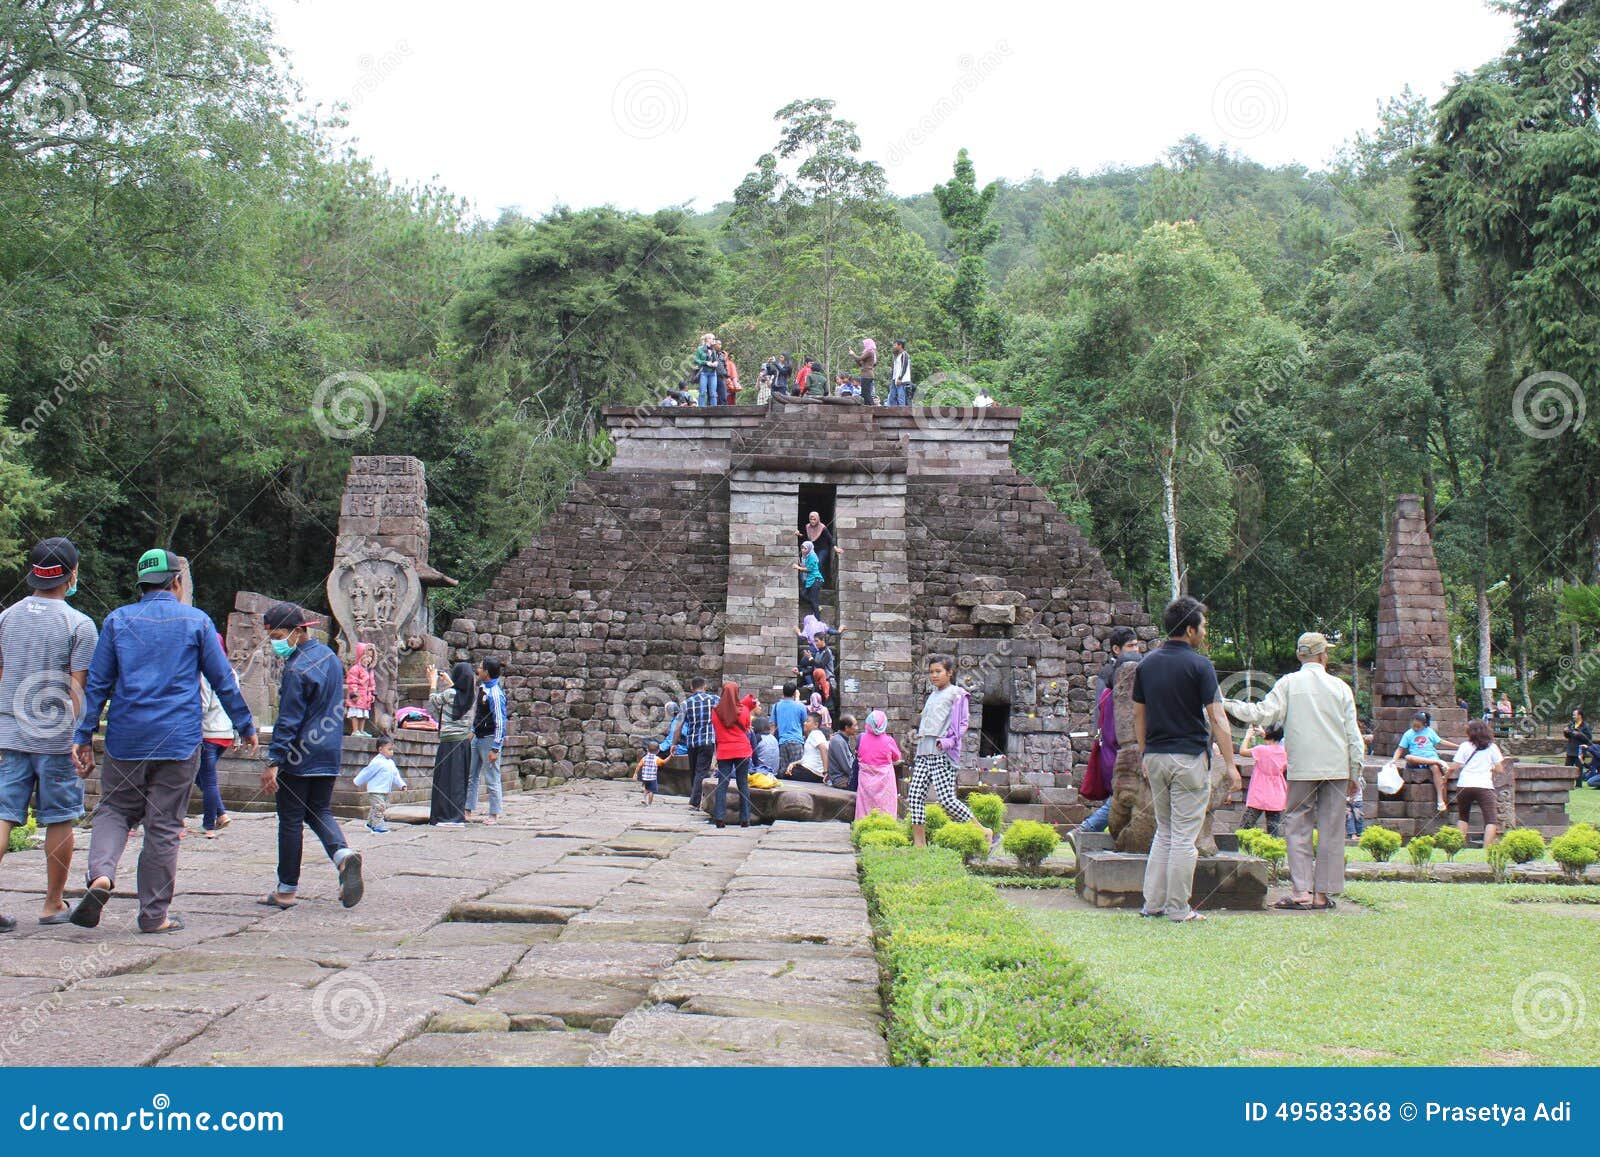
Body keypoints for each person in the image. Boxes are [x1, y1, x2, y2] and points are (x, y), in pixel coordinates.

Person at [68, 549, 258, 933]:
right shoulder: (197, 622)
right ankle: (154, 916)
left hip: (127, 736)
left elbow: (99, 684)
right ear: (176, 582)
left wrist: (84, 733)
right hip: (178, 739)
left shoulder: (118, 620)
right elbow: (223, 679)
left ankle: (101, 876)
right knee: (164, 826)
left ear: (141, 584)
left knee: (114, 810)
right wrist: (245, 724)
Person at [1223, 631, 1364, 913]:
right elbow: (1353, 735)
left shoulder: (1289, 683)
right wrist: (1354, 772)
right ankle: (1322, 895)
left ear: (1300, 656)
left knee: (1297, 826)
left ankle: (1301, 891)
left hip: (1302, 767)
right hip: (1336, 767)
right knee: (1332, 830)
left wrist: (1225, 703)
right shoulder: (1340, 687)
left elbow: (1263, 714)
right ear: (1324, 655)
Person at [0, 538, 98, 928]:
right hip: (55, 738)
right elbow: (78, 688)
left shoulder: (6, 618)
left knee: (4, 815)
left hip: (8, 731)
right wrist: (79, 737)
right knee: (59, 818)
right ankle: (52, 903)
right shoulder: (79, 624)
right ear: (72, 575)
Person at [1130, 596, 1236, 924]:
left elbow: (1138, 714)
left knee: (1164, 831)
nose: (1204, 632)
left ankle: (1153, 903)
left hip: (1157, 757)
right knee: (1183, 836)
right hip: (1188, 757)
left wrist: (1145, 752)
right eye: (1202, 627)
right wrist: (1231, 765)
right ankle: (1178, 908)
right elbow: (1217, 718)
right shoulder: (1200, 665)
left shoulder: (1146, 664)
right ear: (1190, 630)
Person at [258, 602, 363, 910]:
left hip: (299, 754)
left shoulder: (295, 669)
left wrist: (274, 760)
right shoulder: (329, 658)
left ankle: (286, 889)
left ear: (299, 631)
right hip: (329, 749)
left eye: (279, 635)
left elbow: (289, 719)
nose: (276, 642)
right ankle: (343, 856)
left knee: (290, 820)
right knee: (319, 809)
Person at [906, 653, 989, 846]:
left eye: (938, 671)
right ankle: (920, 845)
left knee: (946, 800)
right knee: (915, 796)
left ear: (949, 673)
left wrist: (948, 742)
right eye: (931, 672)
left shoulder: (957, 694)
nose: (934, 675)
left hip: (941, 751)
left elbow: (962, 723)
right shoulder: (933, 694)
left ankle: (983, 831)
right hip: (924, 750)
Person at [1079, 633, 1144, 834]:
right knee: (1125, 795)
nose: (1137, 649)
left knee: (1125, 796)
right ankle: (1088, 828)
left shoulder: (1110, 694)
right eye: (1131, 645)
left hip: (1116, 752)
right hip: (1119, 753)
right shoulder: (1114, 694)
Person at [426, 660, 475, 826]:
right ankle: (456, 814)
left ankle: (446, 816)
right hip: (463, 743)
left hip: (449, 742)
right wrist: (449, 682)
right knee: (458, 781)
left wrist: (432, 681)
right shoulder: (470, 695)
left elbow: (434, 700)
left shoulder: (450, 694)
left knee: (445, 781)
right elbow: (457, 694)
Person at [1445, 717, 1505, 847]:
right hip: (1484, 785)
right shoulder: (1492, 747)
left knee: (1463, 817)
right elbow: (1500, 769)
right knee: (1491, 819)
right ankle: (1486, 848)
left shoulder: (1465, 746)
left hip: (1464, 784)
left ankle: (1458, 846)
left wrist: (1445, 776)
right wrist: (1490, 768)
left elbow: (1454, 766)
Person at [709, 680, 758, 828]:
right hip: (742, 750)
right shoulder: (743, 710)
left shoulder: (715, 711)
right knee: (742, 783)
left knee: (722, 784)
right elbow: (746, 725)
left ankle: (719, 818)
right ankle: (745, 819)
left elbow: (717, 729)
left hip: (724, 750)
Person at [196, 663, 236, 839]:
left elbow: (203, 705)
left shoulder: (205, 672)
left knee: (208, 779)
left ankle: (209, 824)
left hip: (209, 732)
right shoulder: (232, 672)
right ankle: (221, 813)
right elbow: (236, 702)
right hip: (226, 733)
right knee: (199, 776)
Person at [467, 655, 507, 825]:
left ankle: (494, 813)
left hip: (490, 739)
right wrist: (473, 730)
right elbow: (479, 714)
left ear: (487, 672)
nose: (478, 670)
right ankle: (467, 809)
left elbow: (500, 721)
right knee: (471, 775)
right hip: (478, 736)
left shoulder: (496, 694)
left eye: (481, 668)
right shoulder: (483, 688)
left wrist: (496, 748)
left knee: (491, 776)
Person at [669, 675, 719, 811]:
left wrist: (673, 744)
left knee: (694, 772)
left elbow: (678, 725)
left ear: (691, 688)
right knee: (701, 771)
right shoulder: (714, 700)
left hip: (692, 743)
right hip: (708, 741)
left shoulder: (686, 703)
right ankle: (696, 800)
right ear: (705, 686)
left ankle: (695, 799)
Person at [1392, 710, 1454, 813]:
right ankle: (1439, 762)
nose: (1415, 728)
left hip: (1430, 758)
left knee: (1434, 768)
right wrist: (1394, 760)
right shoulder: (1408, 734)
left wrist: (1458, 746)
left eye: (1418, 727)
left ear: (1424, 725)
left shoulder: (1429, 731)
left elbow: (1441, 741)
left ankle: (1440, 799)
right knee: (1408, 757)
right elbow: (1400, 749)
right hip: (1416, 759)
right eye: (1414, 726)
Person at [1238, 724, 1286, 836]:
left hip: (1259, 793)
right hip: (1276, 795)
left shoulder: (1261, 750)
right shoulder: (1285, 752)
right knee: (1273, 832)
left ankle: (1242, 850)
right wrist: (1265, 734)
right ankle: (1274, 852)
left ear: (1267, 735)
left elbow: (1242, 751)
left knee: (1245, 828)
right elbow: (1275, 742)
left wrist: (1248, 736)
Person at [854, 710, 902, 819]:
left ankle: (864, 824)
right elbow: (897, 757)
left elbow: (858, 753)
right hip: (884, 779)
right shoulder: (889, 740)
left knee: (865, 805)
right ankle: (886, 824)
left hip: (865, 778)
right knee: (885, 804)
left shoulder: (861, 738)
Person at [354, 736, 404, 834]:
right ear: (380, 749)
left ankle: (370, 823)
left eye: (392, 750)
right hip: (376, 789)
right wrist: (357, 781)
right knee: (379, 807)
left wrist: (402, 784)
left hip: (384, 790)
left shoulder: (390, 763)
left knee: (377, 807)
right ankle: (378, 825)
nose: (392, 752)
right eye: (389, 749)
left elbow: (395, 775)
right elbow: (367, 772)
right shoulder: (377, 762)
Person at [795, 511, 843, 578]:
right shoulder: (807, 527)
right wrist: (799, 534)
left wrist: (835, 548)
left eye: (814, 519)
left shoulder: (822, 528)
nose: (812, 521)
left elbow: (830, 538)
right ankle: (811, 581)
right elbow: (805, 537)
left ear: (817, 519)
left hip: (822, 549)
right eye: (811, 519)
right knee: (809, 564)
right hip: (812, 550)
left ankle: (820, 580)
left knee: (819, 563)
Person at [783, 713, 829, 783]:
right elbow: (807, 758)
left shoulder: (816, 733)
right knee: (787, 771)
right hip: (809, 771)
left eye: (808, 721)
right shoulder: (812, 735)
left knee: (782, 774)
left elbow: (824, 748)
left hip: (813, 773)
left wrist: (826, 772)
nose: (804, 723)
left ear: (816, 725)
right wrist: (793, 763)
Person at [773, 681, 807, 771]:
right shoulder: (800, 706)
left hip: (782, 741)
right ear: (794, 692)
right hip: (797, 740)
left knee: (783, 770)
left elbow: (773, 724)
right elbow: (805, 722)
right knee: (796, 770)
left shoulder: (776, 706)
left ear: (783, 692)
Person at [344, 642, 375, 736]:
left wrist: (371, 693)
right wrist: (354, 692)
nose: (368, 660)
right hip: (357, 694)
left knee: (363, 714)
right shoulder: (355, 669)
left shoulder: (369, 671)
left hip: (365, 696)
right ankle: (355, 730)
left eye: (370, 657)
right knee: (355, 713)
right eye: (366, 657)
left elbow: (371, 683)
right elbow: (352, 681)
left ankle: (361, 730)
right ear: (361, 657)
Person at [827, 714, 859, 791]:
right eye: (855, 726)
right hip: (841, 780)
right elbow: (847, 767)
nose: (857, 728)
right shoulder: (838, 742)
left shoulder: (843, 739)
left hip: (846, 777)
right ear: (847, 728)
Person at [796, 541, 824, 621]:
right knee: (802, 594)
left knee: (814, 600)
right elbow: (804, 566)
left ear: (809, 549)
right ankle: (817, 607)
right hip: (809, 580)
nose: (803, 549)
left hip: (816, 580)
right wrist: (800, 564)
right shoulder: (805, 556)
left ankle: (818, 621)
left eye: (805, 548)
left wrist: (798, 568)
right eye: (802, 547)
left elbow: (809, 569)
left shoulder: (812, 556)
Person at [848, 337, 878, 406]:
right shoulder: (867, 352)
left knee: (866, 393)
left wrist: (853, 354)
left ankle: (872, 407)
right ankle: (868, 407)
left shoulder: (870, 352)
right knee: (864, 393)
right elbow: (860, 363)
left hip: (867, 375)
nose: (864, 346)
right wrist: (853, 355)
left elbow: (859, 358)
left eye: (865, 344)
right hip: (865, 375)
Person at [694, 333, 717, 407]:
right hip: (704, 372)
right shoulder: (700, 349)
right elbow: (696, 360)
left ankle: (715, 409)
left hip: (713, 373)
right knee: (702, 392)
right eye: (712, 339)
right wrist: (706, 362)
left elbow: (715, 360)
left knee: (713, 393)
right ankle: (701, 409)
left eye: (714, 339)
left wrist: (715, 363)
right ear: (707, 339)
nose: (713, 340)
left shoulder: (713, 349)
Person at [889, 339, 912, 406]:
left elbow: (904, 366)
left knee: (901, 398)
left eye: (895, 345)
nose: (894, 346)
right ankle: (893, 413)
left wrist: (900, 378)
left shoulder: (904, 354)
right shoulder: (897, 356)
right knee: (892, 397)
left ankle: (902, 414)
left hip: (902, 380)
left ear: (900, 345)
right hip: (895, 380)